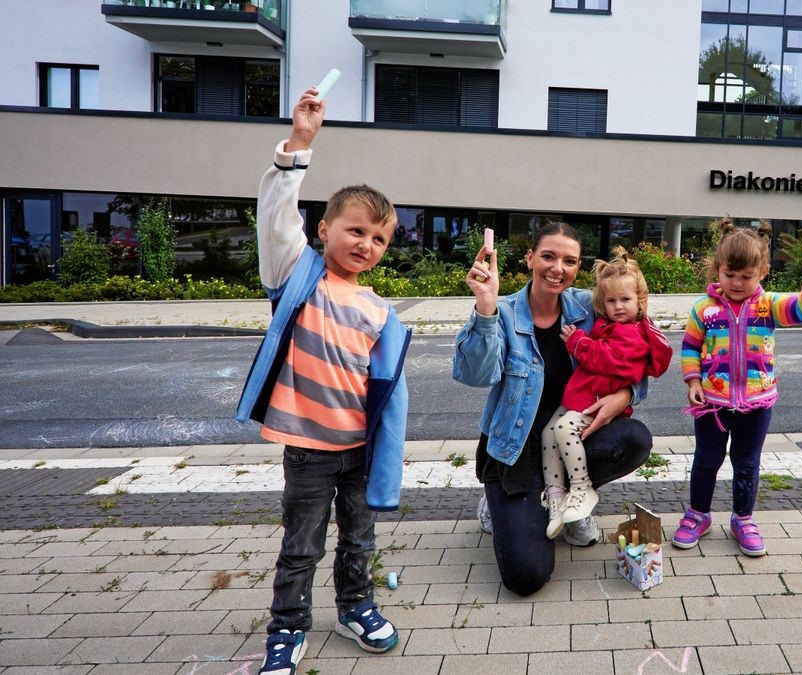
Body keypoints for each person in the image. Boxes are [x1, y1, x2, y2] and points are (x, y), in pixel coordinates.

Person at [235, 88, 411, 675]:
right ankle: (286, 629)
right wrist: (300, 145)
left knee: (359, 540)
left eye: (379, 239)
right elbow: (275, 216)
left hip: (358, 450)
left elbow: (387, 393)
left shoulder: (380, 310)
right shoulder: (295, 275)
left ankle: (356, 605)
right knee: (300, 547)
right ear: (324, 228)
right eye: (356, 230)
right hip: (308, 452)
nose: (366, 245)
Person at [453, 223, 653, 596]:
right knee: (527, 577)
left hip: (570, 433)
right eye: (548, 256)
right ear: (530, 258)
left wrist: (626, 395)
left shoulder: (589, 307)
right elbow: (475, 374)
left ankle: (573, 501)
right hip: (514, 449)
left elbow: (634, 352)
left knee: (634, 438)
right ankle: (498, 505)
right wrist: (485, 308)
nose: (557, 267)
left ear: (578, 268)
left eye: (569, 260)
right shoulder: (505, 311)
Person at [673, 222, 802, 557]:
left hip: (757, 404)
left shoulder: (768, 305)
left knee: (747, 463)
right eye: (730, 275)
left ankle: (742, 518)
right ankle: (698, 514)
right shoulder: (704, 309)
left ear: (763, 272)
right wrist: (693, 381)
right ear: (718, 270)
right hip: (712, 404)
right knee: (706, 460)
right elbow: (688, 348)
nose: (738, 283)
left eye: (747, 276)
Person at [541, 248, 673, 538]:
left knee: (562, 429)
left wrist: (579, 343)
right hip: (584, 399)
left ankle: (580, 487)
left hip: (595, 405)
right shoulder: (610, 325)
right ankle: (555, 498)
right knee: (549, 432)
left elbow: (610, 359)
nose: (618, 306)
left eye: (625, 300)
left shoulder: (633, 333)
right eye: (610, 301)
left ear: (640, 302)